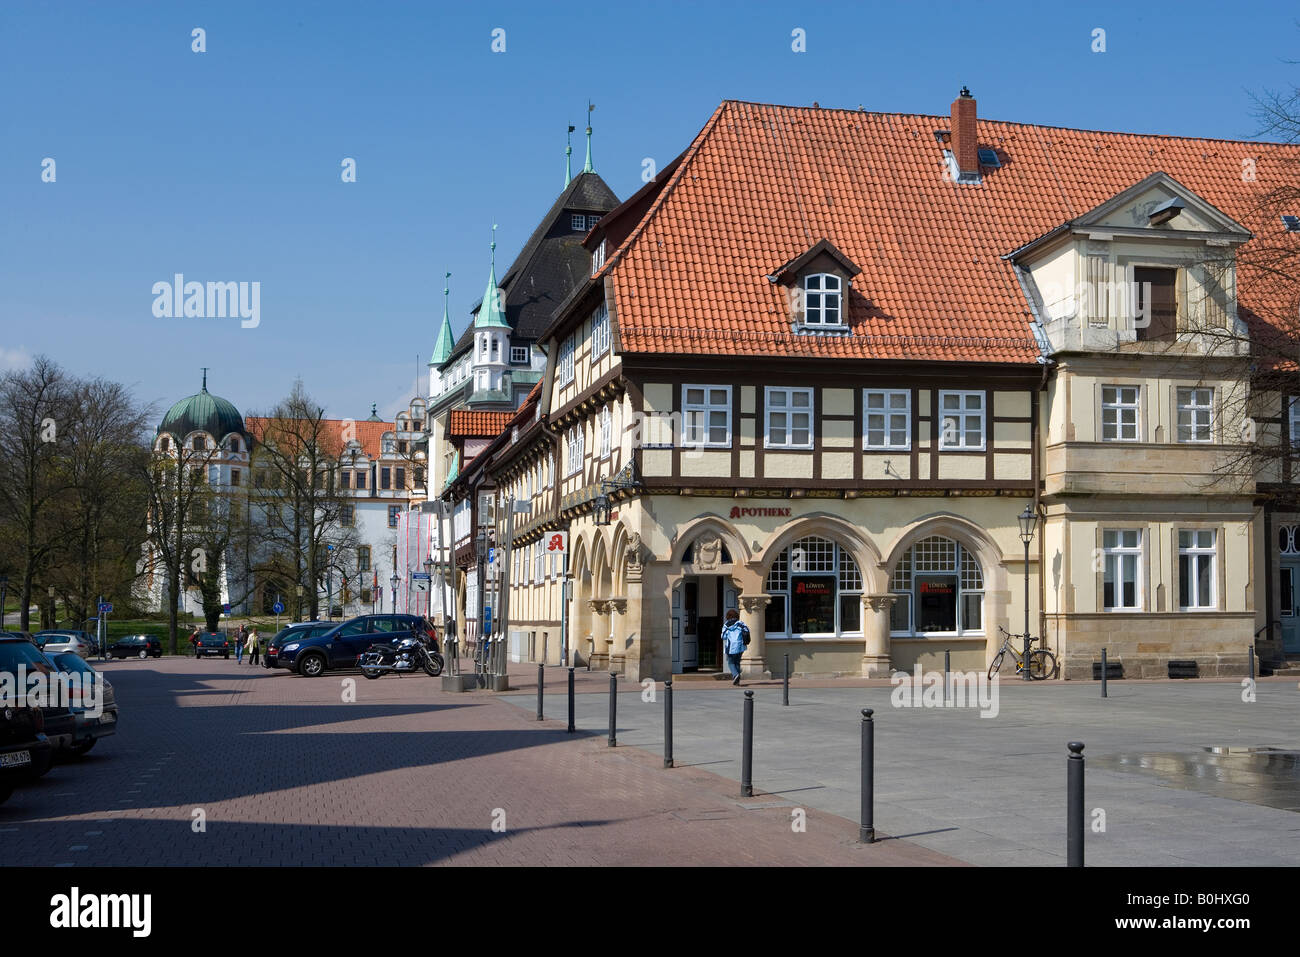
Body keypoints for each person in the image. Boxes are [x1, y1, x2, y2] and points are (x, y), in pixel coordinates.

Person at [721, 608, 750, 686]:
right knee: (737, 662)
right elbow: (747, 631)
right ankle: (737, 680)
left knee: (731, 662)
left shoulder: (726, 625)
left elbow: (723, 636)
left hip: (731, 647)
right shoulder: (741, 623)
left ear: (728, 616)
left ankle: (735, 675)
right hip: (741, 646)